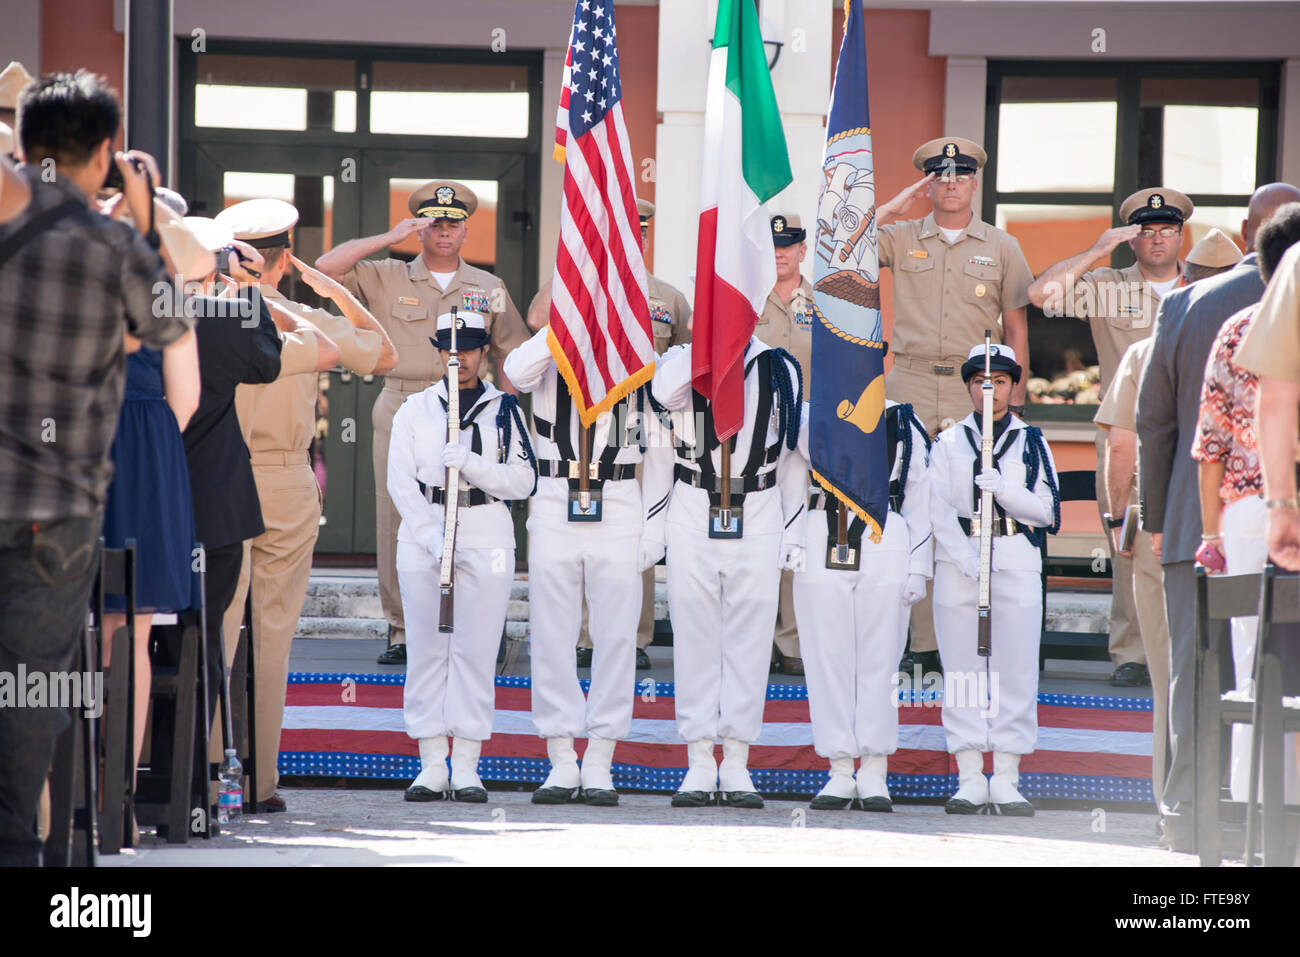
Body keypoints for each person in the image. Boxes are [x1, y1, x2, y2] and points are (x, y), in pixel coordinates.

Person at [0, 71, 192, 866]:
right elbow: (170, 324)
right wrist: (145, 215)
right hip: (59, 509)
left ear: (22, 145)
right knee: (33, 688)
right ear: (106, 153)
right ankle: (17, 842)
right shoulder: (114, 248)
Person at [215, 197, 397, 812]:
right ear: (285, 256)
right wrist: (328, 289)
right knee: (272, 635)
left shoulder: (205, 314)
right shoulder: (299, 316)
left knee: (217, 629)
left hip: (220, 477)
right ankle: (260, 784)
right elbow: (385, 353)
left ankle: (208, 778)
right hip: (286, 482)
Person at [1136, 181, 1300, 851]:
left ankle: (1193, 817)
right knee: (1281, 668)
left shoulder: (1186, 303)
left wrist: (1157, 519)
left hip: (1202, 519)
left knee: (1197, 671)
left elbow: (1155, 422)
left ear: (1244, 231)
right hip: (1266, 515)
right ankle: (1281, 817)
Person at [315, 180, 529, 666]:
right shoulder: (387, 274)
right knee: (401, 514)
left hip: (473, 408)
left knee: (474, 510)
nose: (444, 232)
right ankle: (403, 627)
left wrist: (510, 422)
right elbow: (325, 270)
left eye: (453, 224)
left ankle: (476, 621)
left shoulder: (488, 288)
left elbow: (512, 352)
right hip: (404, 403)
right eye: (434, 224)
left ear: (466, 231)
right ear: (420, 229)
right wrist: (390, 236)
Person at [872, 137, 1033, 680]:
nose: (950, 184)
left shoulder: (1003, 246)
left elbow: (1016, 327)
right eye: (939, 176)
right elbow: (842, 246)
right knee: (908, 502)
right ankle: (914, 638)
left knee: (965, 502)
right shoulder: (899, 237)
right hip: (910, 381)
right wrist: (893, 206)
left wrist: (1018, 396)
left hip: (977, 386)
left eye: (960, 175)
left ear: (974, 183)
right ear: (928, 183)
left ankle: (957, 635)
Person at [1029, 186, 1193, 688]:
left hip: (1191, 435)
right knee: (1126, 540)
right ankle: (1132, 655)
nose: (1158, 239)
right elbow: (1041, 295)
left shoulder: (1205, 284)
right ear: (1132, 239)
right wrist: (1098, 248)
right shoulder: (1108, 284)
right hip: (1128, 434)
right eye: (1146, 231)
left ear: (1182, 235)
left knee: (1194, 543)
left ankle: (1187, 648)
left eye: (1167, 229)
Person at [527, 198, 690, 671]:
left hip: (636, 420)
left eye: (638, 232)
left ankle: (632, 636)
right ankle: (582, 634)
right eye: (620, 231)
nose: (633, 239)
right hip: (579, 417)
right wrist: (581, 260)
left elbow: (682, 365)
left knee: (629, 526)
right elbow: (538, 319)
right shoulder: (579, 286)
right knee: (579, 525)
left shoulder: (668, 297)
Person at [502, 324, 661, 806]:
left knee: (616, 635)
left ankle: (601, 758)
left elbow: (660, 443)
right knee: (553, 632)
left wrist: (654, 528)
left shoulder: (637, 346)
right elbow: (514, 372)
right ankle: (562, 757)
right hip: (555, 496)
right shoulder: (552, 348)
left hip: (617, 497)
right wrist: (568, 319)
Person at [646, 336, 804, 808]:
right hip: (694, 502)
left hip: (757, 506)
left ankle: (735, 760)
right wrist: (711, 348)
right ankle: (698, 759)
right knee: (694, 635)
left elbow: (793, 457)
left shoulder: (779, 368)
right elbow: (659, 400)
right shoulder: (681, 361)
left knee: (750, 639)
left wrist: (792, 531)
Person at [391, 312, 536, 802]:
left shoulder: (505, 410)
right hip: (424, 531)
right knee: (428, 650)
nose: (463, 358)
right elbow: (399, 483)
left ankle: (468, 763)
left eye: (472, 348)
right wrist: (432, 536)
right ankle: (432, 762)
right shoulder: (415, 409)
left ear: (484, 352)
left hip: (485, 528)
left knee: (475, 650)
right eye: (453, 349)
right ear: (439, 353)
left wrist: (474, 465)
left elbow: (523, 480)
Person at [929, 343, 1059, 816]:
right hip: (961, 560)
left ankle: (1005, 775)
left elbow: (1047, 511)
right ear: (969, 386)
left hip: (1013, 555)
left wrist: (1005, 489)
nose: (992, 390)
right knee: (963, 671)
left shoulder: (1031, 441)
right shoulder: (947, 442)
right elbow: (937, 510)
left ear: (1012, 385)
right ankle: (968, 774)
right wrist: (964, 558)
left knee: (1015, 669)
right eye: (982, 382)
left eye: (1000, 382)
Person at [1199, 207, 1300, 804]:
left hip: (1245, 508)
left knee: (1254, 662)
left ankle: (1254, 802)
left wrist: (1210, 534)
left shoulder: (1237, 327)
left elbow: (1210, 440)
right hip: (1280, 503)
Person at [790, 398, 932, 810]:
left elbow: (920, 494)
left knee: (881, 658)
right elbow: (793, 472)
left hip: (884, 531)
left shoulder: (902, 417)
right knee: (825, 657)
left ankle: (874, 769)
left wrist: (918, 566)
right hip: (821, 527)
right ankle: (838, 768)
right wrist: (792, 540)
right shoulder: (809, 415)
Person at [1093, 336, 1170, 811]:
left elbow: (1120, 443)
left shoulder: (1148, 348)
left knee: (1167, 677)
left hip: (1162, 523)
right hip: (1252, 521)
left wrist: (1119, 516)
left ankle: (1174, 803)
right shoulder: (1271, 324)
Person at [763, 213, 814, 677]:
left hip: (807, 437)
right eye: (772, 244)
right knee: (758, 535)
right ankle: (759, 638)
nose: (780, 251)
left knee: (798, 535)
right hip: (753, 436)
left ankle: (794, 640)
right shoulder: (742, 298)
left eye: (789, 244)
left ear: (802, 249)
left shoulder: (826, 302)